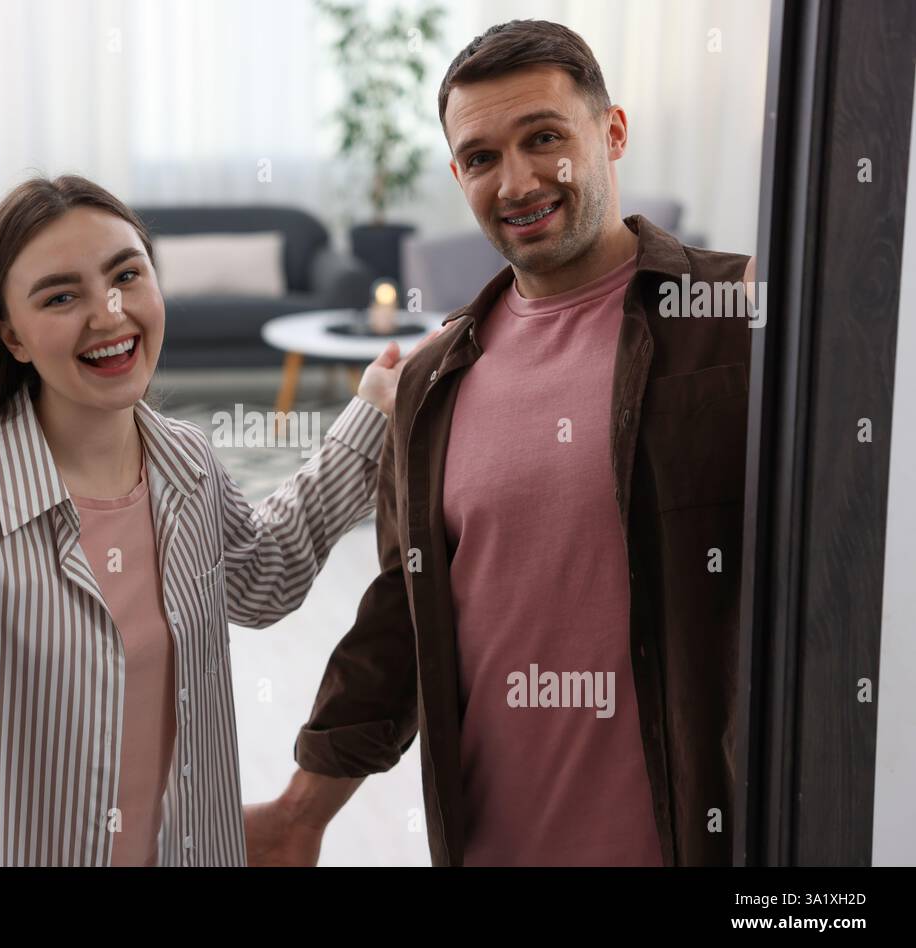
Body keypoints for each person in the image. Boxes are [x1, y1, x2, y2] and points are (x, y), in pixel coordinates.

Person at [246, 19, 755, 866]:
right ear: (457, 174)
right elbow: (401, 619)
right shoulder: (431, 380)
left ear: (612, 132)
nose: (516, 181)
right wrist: (305, 808)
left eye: (544, 138)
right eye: (481, 157)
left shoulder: (736, 313)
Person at [0, 174, 437, 865]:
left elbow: (264, 575)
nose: (109, 315)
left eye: (126, 275)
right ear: (10, 335)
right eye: (61, 296)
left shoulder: (184, 460)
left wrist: (374, 409)